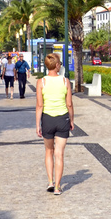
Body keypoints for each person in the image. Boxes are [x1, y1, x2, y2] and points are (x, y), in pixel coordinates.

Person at [35, 52, 74, 195]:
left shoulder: (41, 82)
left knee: (48, 151)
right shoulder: (65, 81)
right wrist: (72, 120)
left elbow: (40, 105)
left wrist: (38, 125)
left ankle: (50, 182)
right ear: (57, 65)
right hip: (62, 118)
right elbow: (69, 104)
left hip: (47, 119)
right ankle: (58, 187)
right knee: (59, 154)